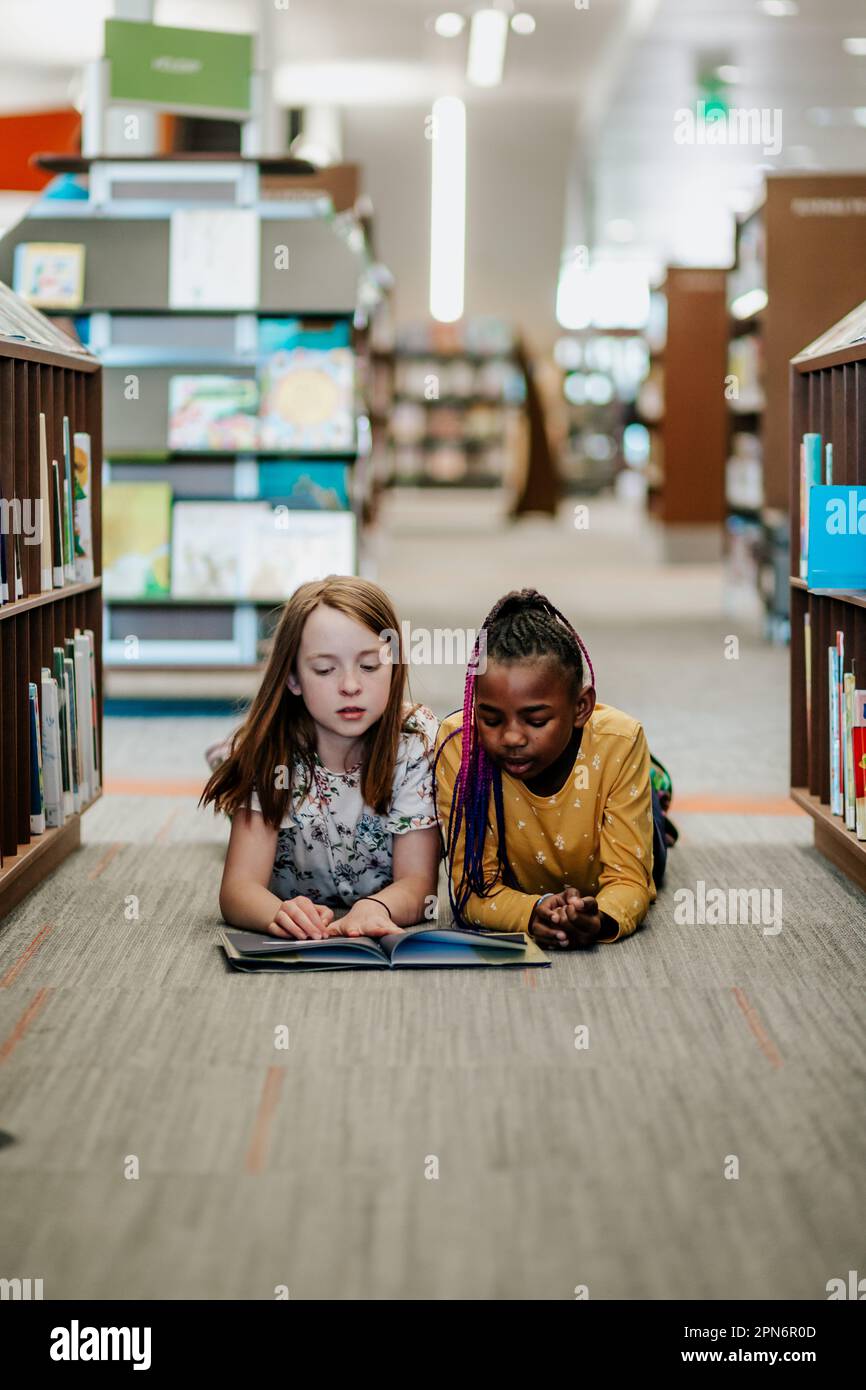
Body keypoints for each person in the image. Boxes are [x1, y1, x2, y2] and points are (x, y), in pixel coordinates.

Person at [202, 576, 440, 940]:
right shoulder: (270, 753)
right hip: (275, 750)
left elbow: (419, 883)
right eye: (325, 669)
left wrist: (376, 906)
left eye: (370, 666)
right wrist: (277, 911)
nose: (350, 686)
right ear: (294, 678)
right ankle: (228, 755)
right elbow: (237, 890)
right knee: (242, 758)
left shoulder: (415, 742)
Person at [434, 588, 675, 949]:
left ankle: (653, 787)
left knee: (651, 822)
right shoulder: (460, 746)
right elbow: (470, 889)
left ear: (581, 707)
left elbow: (629, 882)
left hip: (610, 790)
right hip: (542, 869)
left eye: (535, 720)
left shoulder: (621, 741)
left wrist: (601, 918)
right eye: (491, 718)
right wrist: (533, 912)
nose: (512, 737)